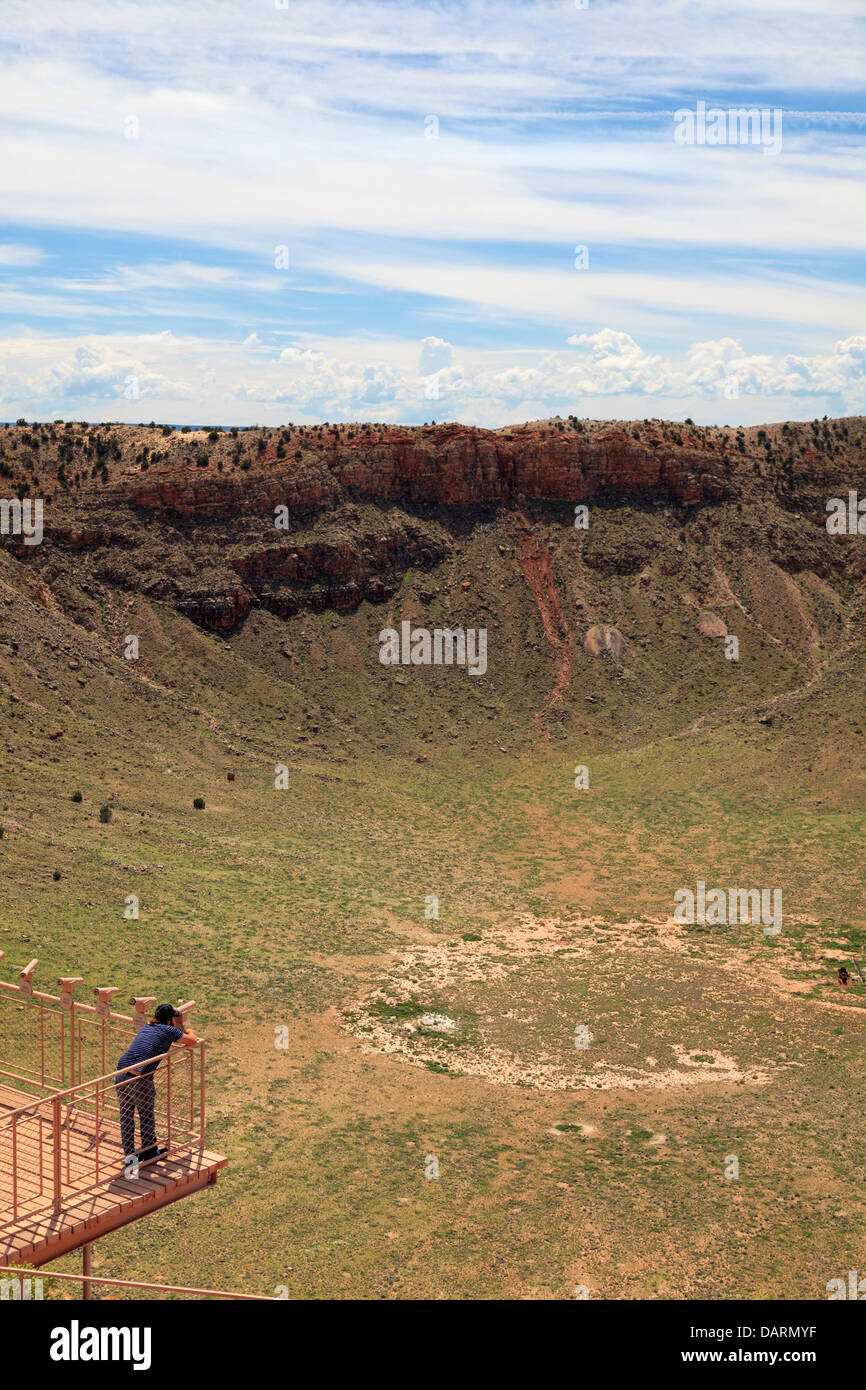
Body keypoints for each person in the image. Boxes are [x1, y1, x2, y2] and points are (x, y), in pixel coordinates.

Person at [115, 1004, 198, 1168]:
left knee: (126, 1119)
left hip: (120, 1074)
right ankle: (150, 1153)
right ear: (169, 1019)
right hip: (140, 1080)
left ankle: (130, 1159)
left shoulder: (147, 1027)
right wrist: (188, 1030)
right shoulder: (169, 1030)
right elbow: (192, 1041)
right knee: (146, 1118)